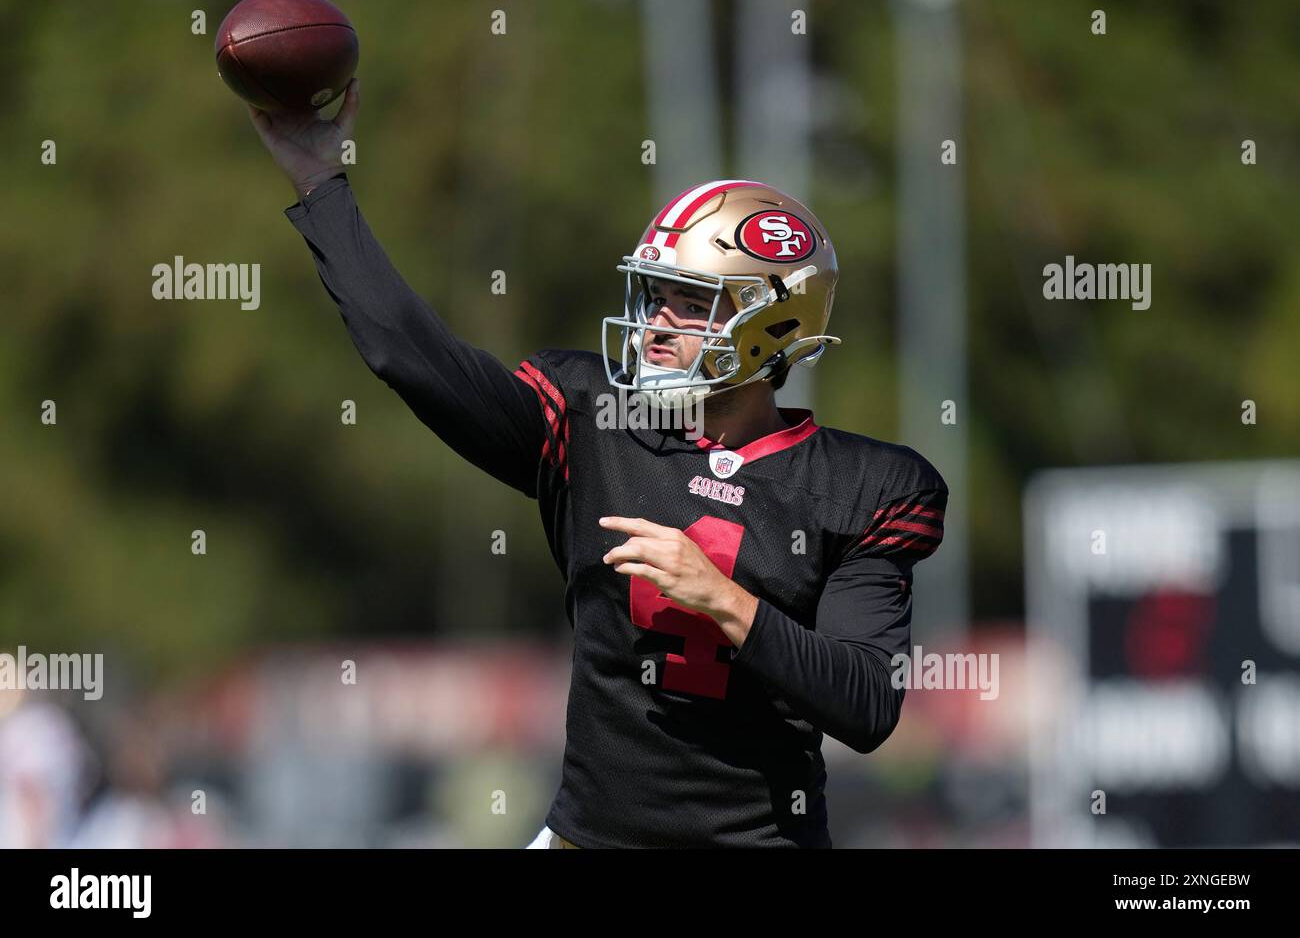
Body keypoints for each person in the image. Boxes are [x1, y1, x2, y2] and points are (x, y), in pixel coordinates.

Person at [248, 79, 948, 848]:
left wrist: (726, 602)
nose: (655, 324)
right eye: (653, 296)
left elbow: (865, 707)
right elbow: (404, 351)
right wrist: (319, 182)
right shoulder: (593, 421)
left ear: (771, 321)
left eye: (689, 302)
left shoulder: (866, 487)